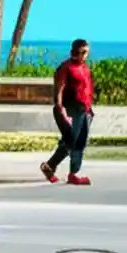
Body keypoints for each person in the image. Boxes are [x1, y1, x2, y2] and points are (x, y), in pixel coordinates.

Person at [40, 39, 94, 186]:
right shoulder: (66, 67)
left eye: (85, 52)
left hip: (84, 109)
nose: (83, 55)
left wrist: (89, 111)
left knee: (77, 142)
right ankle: (69, 172)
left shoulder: (85, 68)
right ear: (73, 51)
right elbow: (59, 88)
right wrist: (60, 109)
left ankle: (54, 168)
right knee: (73, 141)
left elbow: (87, 89)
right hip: (70, 109)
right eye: (80, 52)